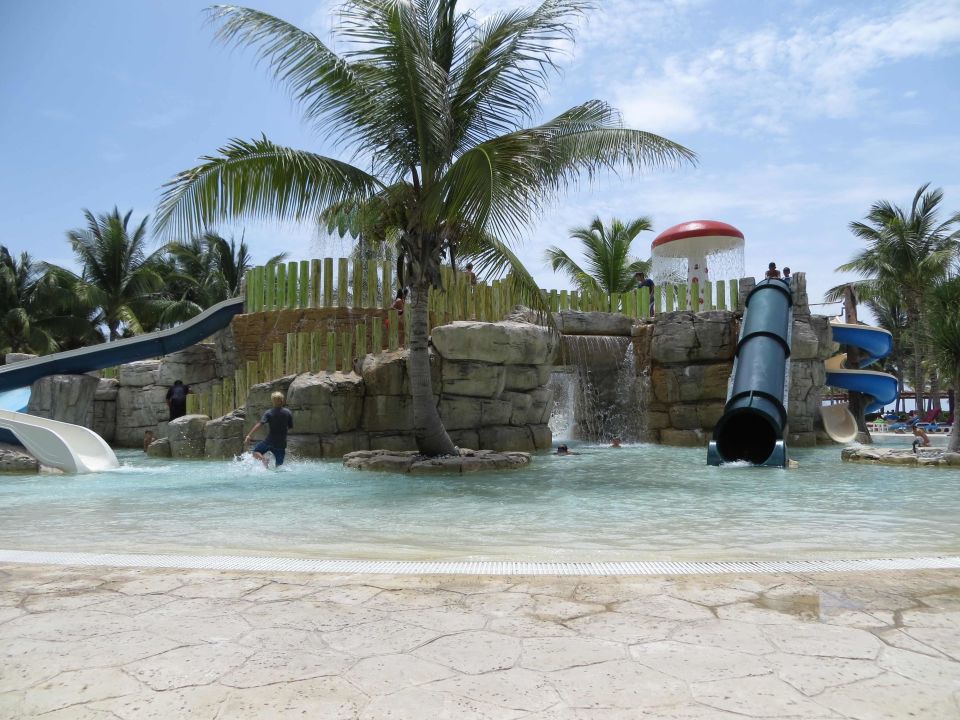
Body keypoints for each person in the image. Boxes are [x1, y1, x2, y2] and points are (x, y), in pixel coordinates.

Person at [244, 391, 294, 468]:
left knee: (255, 452)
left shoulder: (269, 413)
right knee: (279, 466)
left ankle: (263, 459)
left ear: (273, 401)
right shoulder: (288, 413)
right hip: (281, 444)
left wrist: (249, 435)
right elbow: (290, 427)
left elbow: (260, 424)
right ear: (282, 400)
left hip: (269, 442)